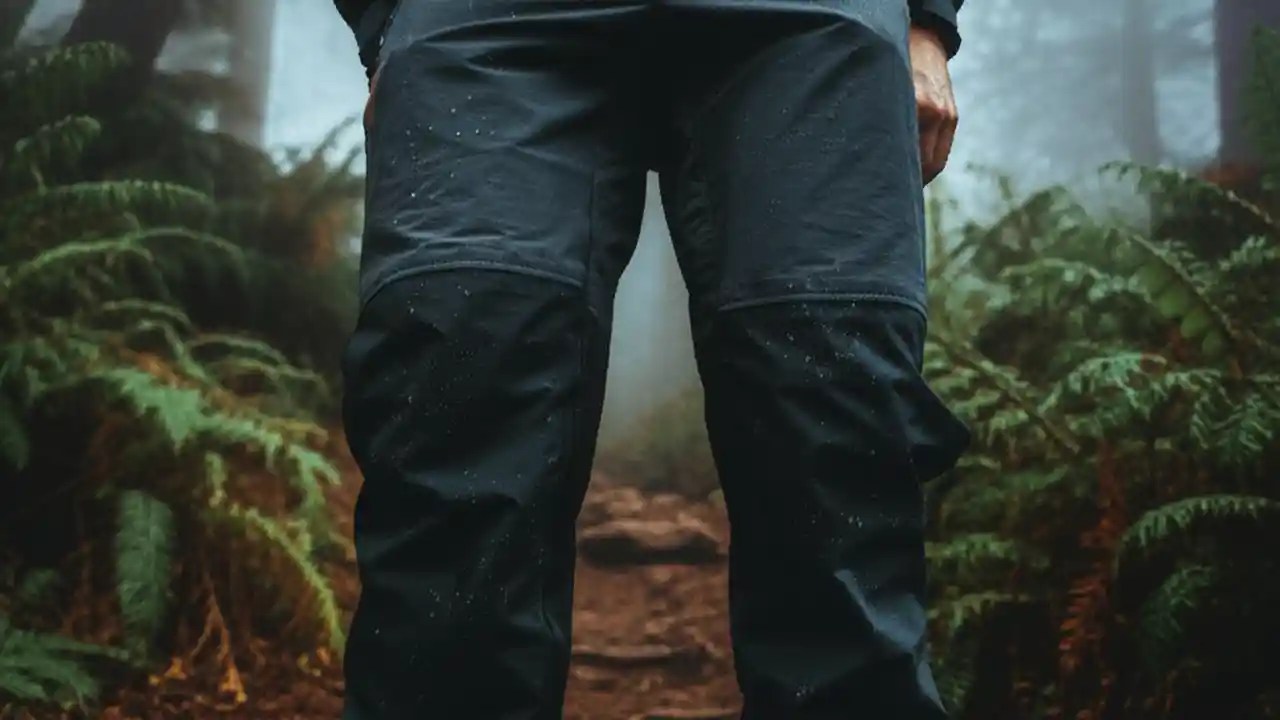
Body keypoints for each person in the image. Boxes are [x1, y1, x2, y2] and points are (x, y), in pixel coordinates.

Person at [333, 0, 971, 717]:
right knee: (457, 396)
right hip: (485, 19)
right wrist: (386, 21)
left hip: (814, 17)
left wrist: (925, 19)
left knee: (836, 426)